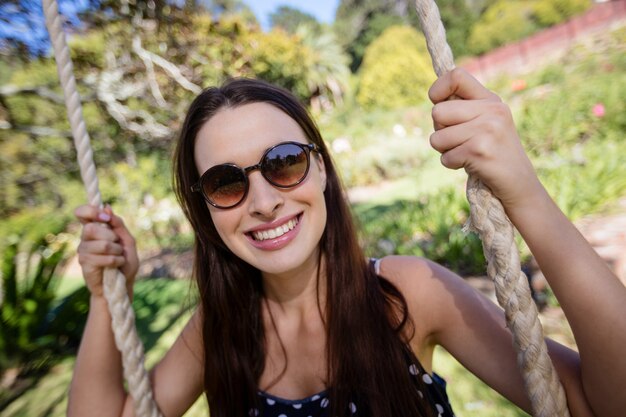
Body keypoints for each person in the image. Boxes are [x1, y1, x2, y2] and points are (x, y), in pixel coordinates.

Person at [69, 69, 626, 417]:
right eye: (226, 182)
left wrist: (523, 193)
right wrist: (103, 295)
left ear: (321, 172)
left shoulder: (403, 295)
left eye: (283, 163)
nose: (262, 201)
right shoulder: (220, 330)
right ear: (205, 209)